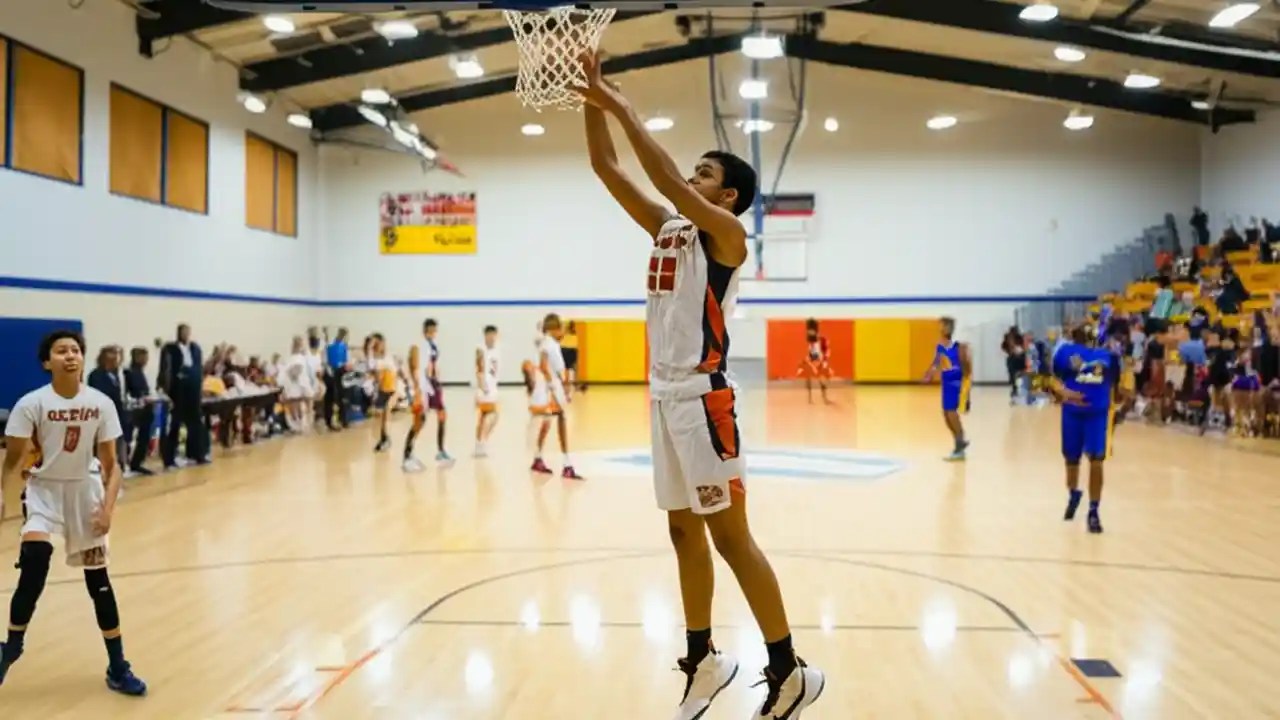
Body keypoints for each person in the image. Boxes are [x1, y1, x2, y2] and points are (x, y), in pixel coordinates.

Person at [575, 50, 824, 719]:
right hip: (662, 398)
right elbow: (608, 169)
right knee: (683, 535)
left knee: (731, 539)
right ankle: (703, 656)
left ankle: (788, 667)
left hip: (704, 400)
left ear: (728, 196)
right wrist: (590, 102)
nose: (691, 177)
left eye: (704, 173)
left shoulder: (727, 236)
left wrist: (621, 106)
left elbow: (662, 178)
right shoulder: (670, 229)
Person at [0, 331, 147, 695]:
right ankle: (11, 648)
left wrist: (108, 509)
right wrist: (2, 497)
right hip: (44, 490)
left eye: (76, 350)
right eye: (61, 350)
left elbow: (113, 466)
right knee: (35, 560)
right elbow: (14, 460)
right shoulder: (30, 404)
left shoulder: (101, 403)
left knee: (98, 583)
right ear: (47, 362)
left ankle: (118, 666)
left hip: (86, 490)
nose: (70, 355)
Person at [1048, 325, 1120, 534]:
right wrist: (1062, 392)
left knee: (1096, 459)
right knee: (1072, 459)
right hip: (1072, 413)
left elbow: (1118, 384)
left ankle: (1094, 510)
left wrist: (1117, 410)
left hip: (1097, 415)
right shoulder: (1063, 353)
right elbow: (1050, 380)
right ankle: (1074, 494)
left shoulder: (1109, 356)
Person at [528, 315, 582, 479]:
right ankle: (567, 465)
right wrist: (555, 386)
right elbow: (545, 366)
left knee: (548, 422)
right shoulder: (549, 344)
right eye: (560, 328)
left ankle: (538, 457)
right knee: (561, 421)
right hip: (551, 390)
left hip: (549, 388)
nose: (563, 331)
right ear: (553, 329)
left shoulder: (548, 343)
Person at [404, 319, 453, 471]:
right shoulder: (417, 345)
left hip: (432, 385)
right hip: (421, 387)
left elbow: (433, 364)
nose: (433, 333)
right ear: (426, 329)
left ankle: (441, 451)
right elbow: (413, 366)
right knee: (419, 421)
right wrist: (416, 387)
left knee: (442, 415)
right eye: (431, 330)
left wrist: (438, 378)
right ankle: (407, 457)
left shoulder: (433, 346)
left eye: (435, 330)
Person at [922, 317, 972, 461]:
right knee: (946, 414)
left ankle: (960, 441)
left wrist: (966, 389)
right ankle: (959, 441)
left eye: (943, 326)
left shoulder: (959, 347)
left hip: (955, 383)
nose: (941, 328)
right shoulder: (940, 346)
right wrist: (929, 375)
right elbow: (936, 363)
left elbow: (966, 369)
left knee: (951, 413)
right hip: (946, 383)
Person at [158, 324, 206, 469]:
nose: (184, 334)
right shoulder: (170, 348)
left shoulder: (195, 348)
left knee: (195, 422)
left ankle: (197, 454)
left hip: (193, 387)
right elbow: (165, 369)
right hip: (178, 388)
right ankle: (169, 459)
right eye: (182, 332)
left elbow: (199, 367)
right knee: (175, 424)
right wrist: (166, 388)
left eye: (186, 332)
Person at [474, 325, 501, 458]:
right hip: (484, 388)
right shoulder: (481, 350)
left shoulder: (496, 351)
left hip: (493, 387)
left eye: (494, 335)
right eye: (489, 335)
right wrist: (482, 385)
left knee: (486, 417)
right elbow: (479, 369)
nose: (491, 337)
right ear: (485, 335)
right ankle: (481, 443)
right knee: (491, 416)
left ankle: (480, 444)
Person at [370, 334, 397, 453]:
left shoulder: (386, 359)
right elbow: (377, 377)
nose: (379, 346)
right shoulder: (376, 360)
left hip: (390, 389)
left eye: (379, 343)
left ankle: (385, 438)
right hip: (382, 389)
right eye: (375, 345)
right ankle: (384, 438)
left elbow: (381, 375)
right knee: (380, 416)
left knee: (384, 413)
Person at [797, 318, 832, 405]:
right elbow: (812, 351)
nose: (810, 333)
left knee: (821, 379)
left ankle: (824, 397)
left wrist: (822, 361)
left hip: (819, 358)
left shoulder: (821, 340)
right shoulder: (811, 340)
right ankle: (810, 398)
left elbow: (825, 351)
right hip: (814, 357)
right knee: (808, 375)